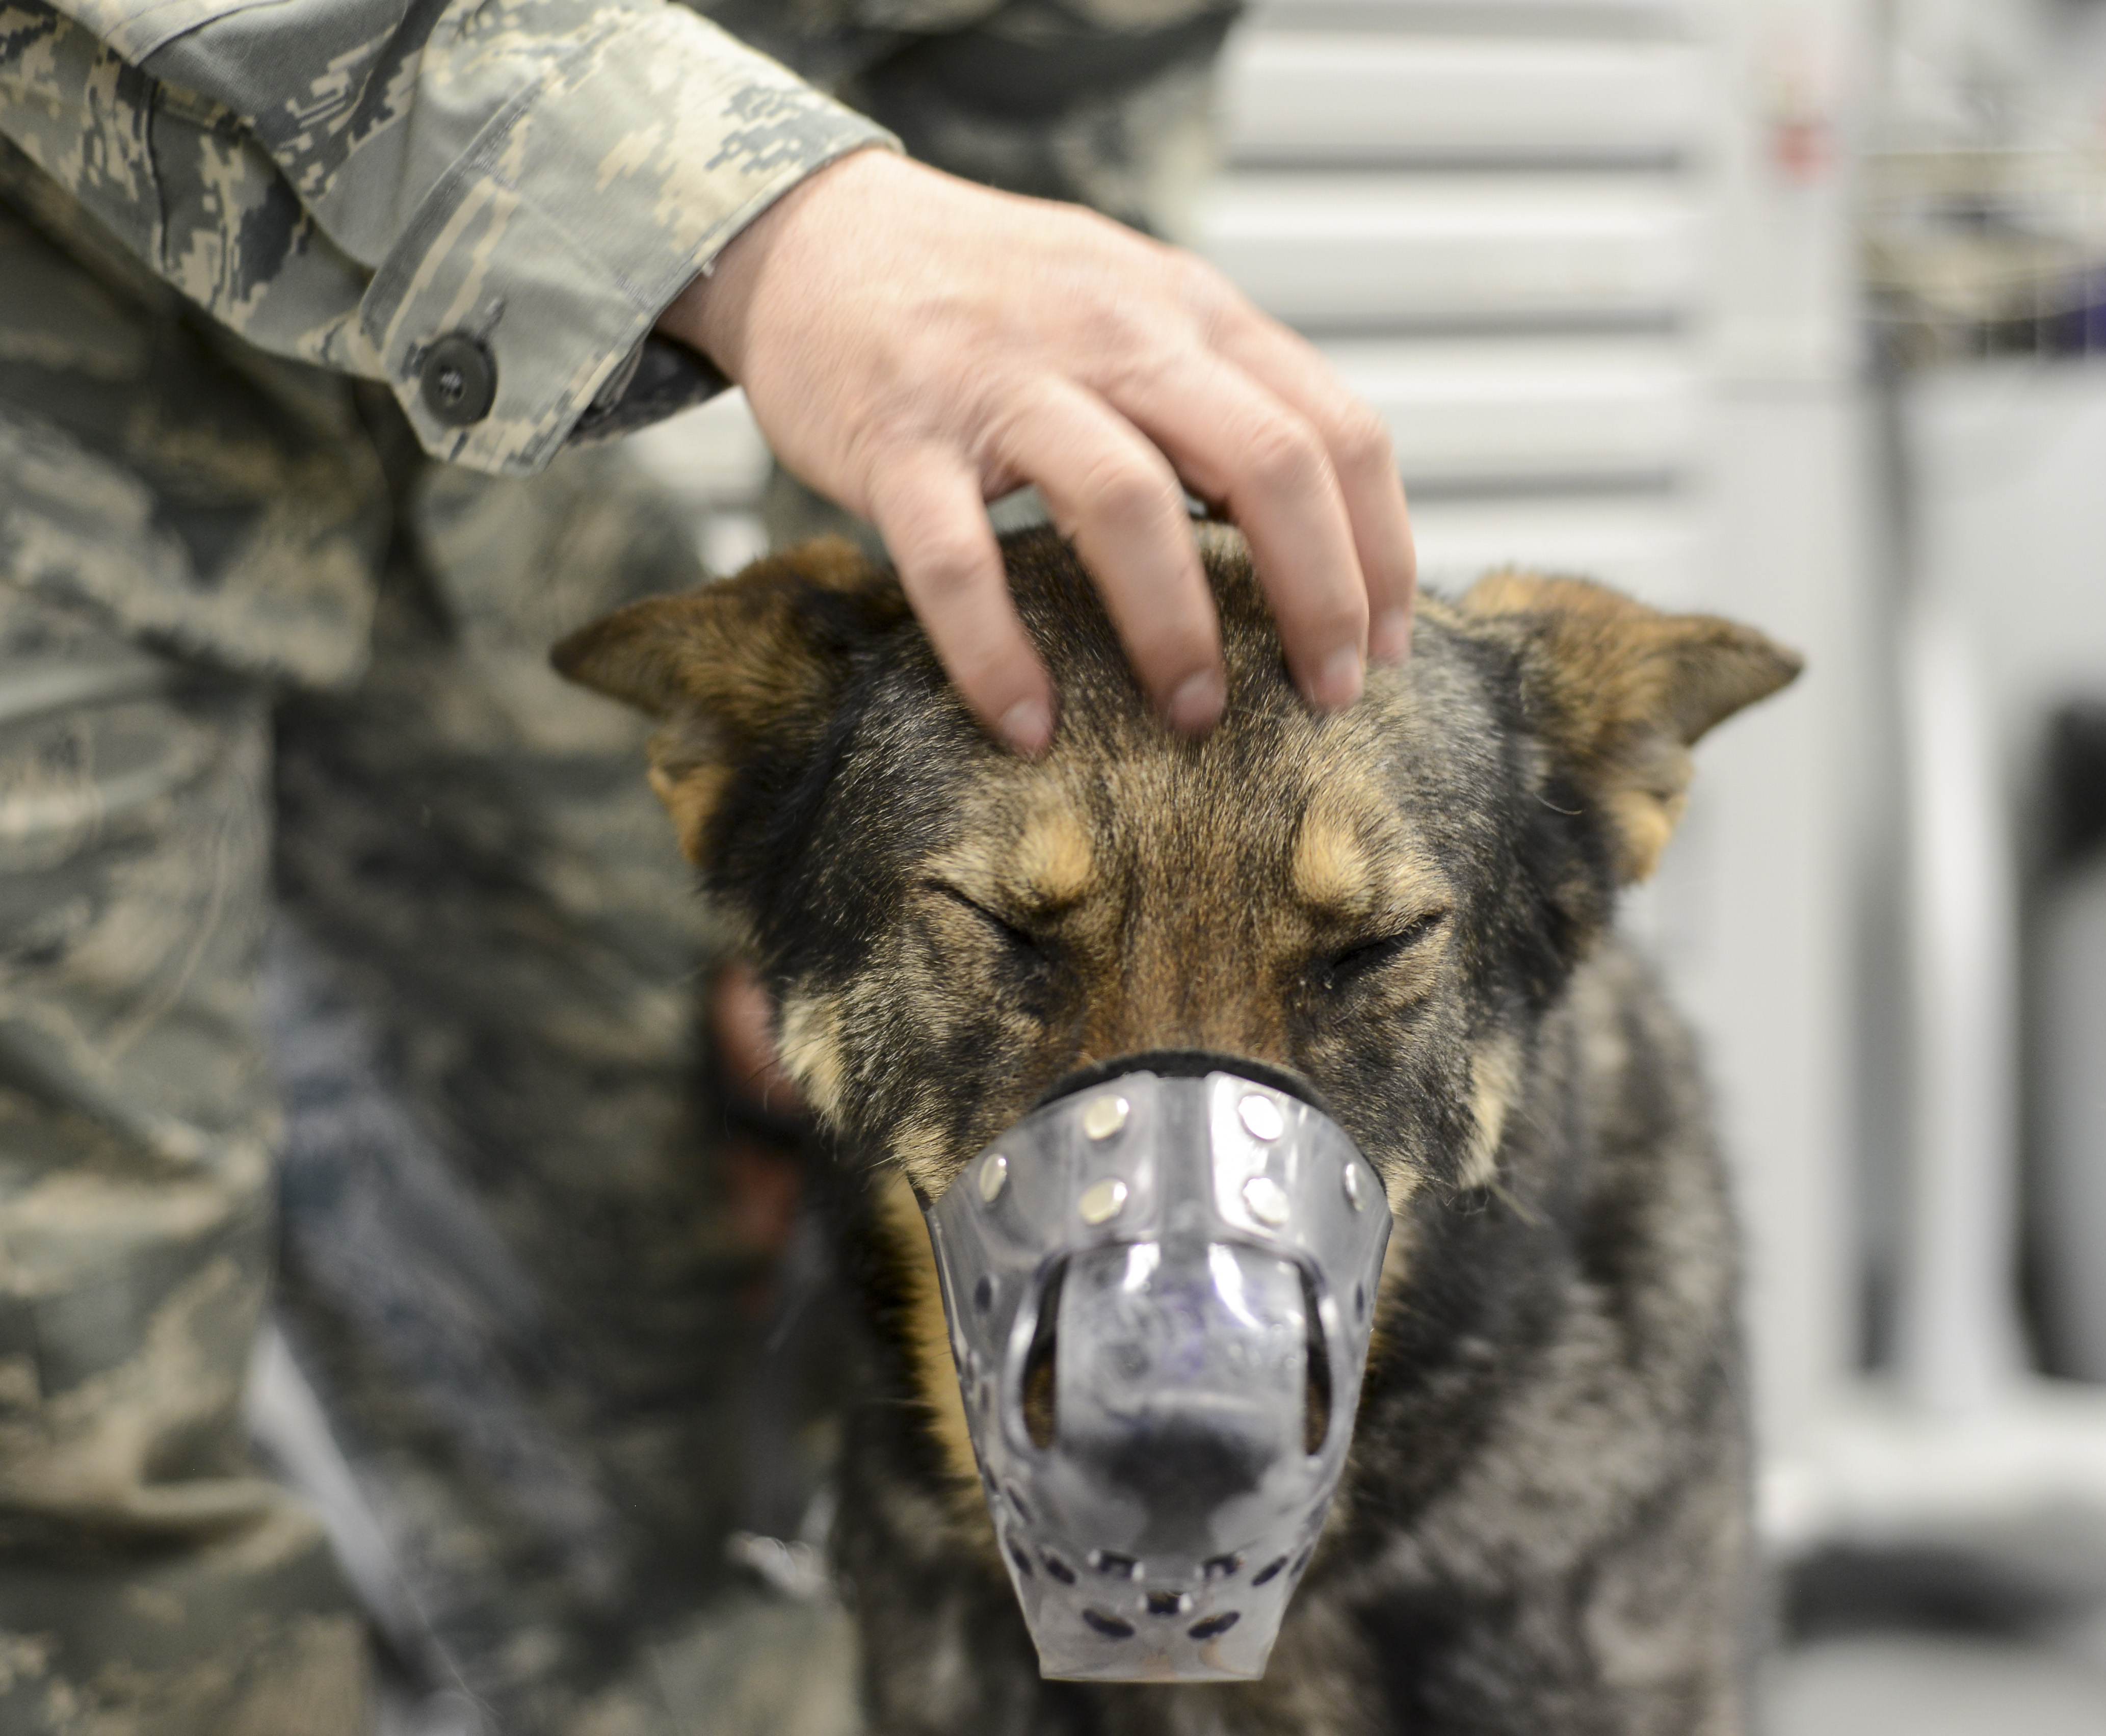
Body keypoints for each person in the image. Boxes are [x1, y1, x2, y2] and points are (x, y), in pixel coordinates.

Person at [0, 1, 1414, 1729]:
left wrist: (925, 819)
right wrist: (770, 220)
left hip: (408, 400)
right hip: (40, 278)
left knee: (697, 1310)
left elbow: (1028, 139)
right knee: (73, 1441)